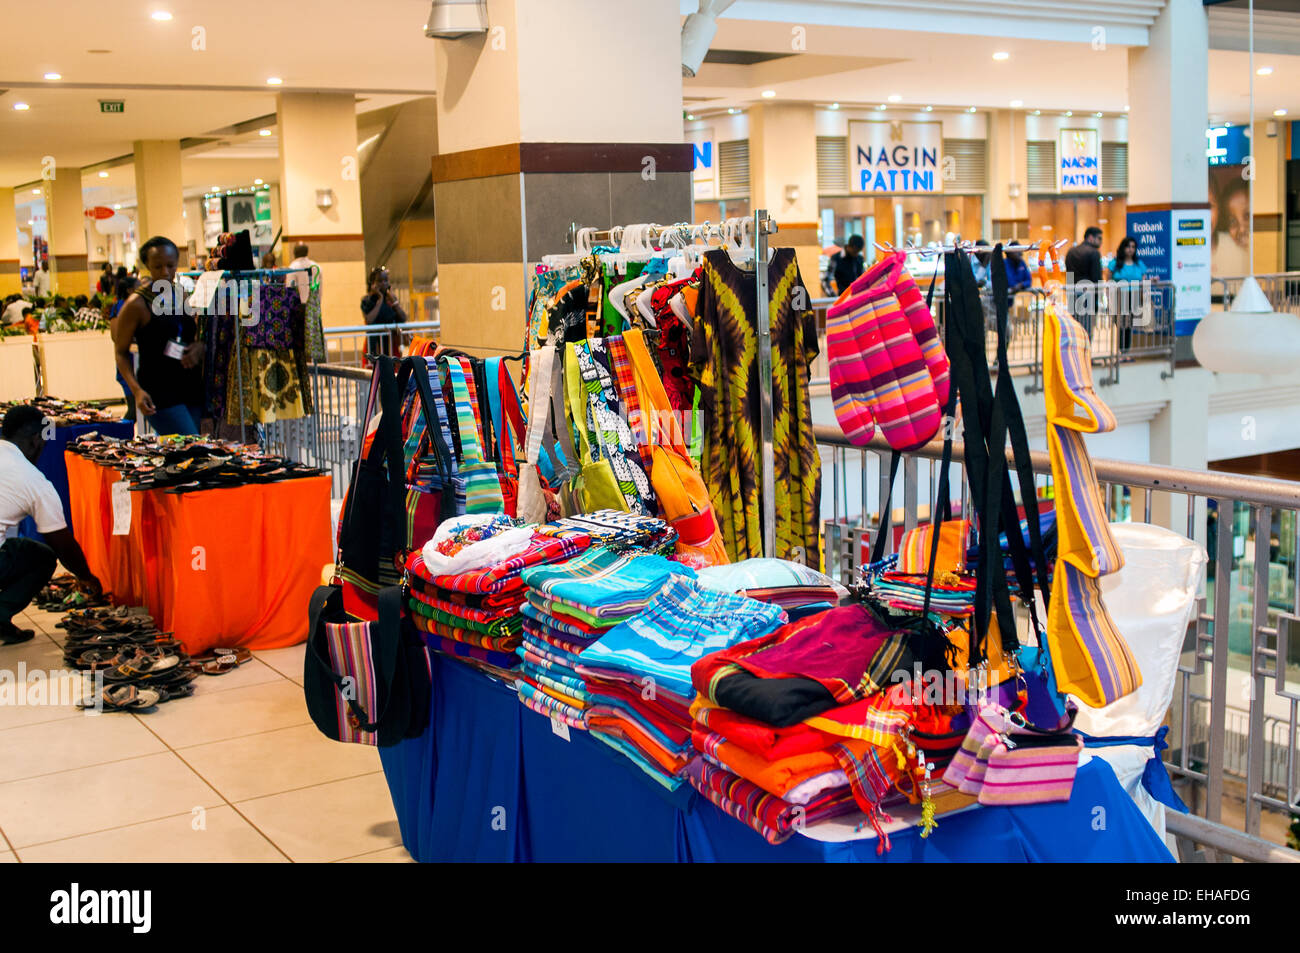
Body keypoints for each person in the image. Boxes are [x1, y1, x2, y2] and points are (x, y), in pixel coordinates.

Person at [0, 405, 102, 644]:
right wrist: (86, 576)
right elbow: (61, 543)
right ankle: (1, 614)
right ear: (36, 440)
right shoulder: (32, 479)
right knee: (42, 557)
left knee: (16, 547)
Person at [113, 236, 205, 435]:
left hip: (190, 388)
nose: (165, 272)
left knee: (192, 454)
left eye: (171, 265)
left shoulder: (181, 294)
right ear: (147, 266)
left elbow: (195, 335)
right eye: (158, 267)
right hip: (158, 393)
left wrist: (198, 348)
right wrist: (136, 390)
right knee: (192, 446)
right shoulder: (136, 304)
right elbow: (120, 353)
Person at [1107, 235, 1145, 354]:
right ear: (1123, 248)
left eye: (1133, 247)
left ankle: (1125, 351)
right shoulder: (1115, 263)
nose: (1130, 249)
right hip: (1118, 297)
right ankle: (1121, 350)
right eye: (1128, 246)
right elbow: (1108, 280)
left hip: (1133, 297)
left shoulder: (1138, 264)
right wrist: (1108, 297)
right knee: (1120, 324)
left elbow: (1143, 281)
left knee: (1129, 325)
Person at [360, 266, 407, 363]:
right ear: (373, 283)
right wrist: (380, 300)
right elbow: (369, 320)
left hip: (390, 346)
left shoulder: (391, 300)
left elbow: (403, 318)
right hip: (373, 347)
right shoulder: (367, 300)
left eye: (386, 280)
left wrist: (394, 302)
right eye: (380, 281)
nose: (383, 284)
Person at [1064, 226, 1103, 335]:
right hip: (1088, 295)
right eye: (1099, 238)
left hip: (1073, 293)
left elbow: (1069, 275)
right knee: (1086, 330)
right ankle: (1086, 351)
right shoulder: (1094, 253)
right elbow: (1096, 278)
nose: (1101, 242)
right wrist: (1097, 299)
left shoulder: (1071, 252)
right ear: (1091, 237)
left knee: (1075, 328)